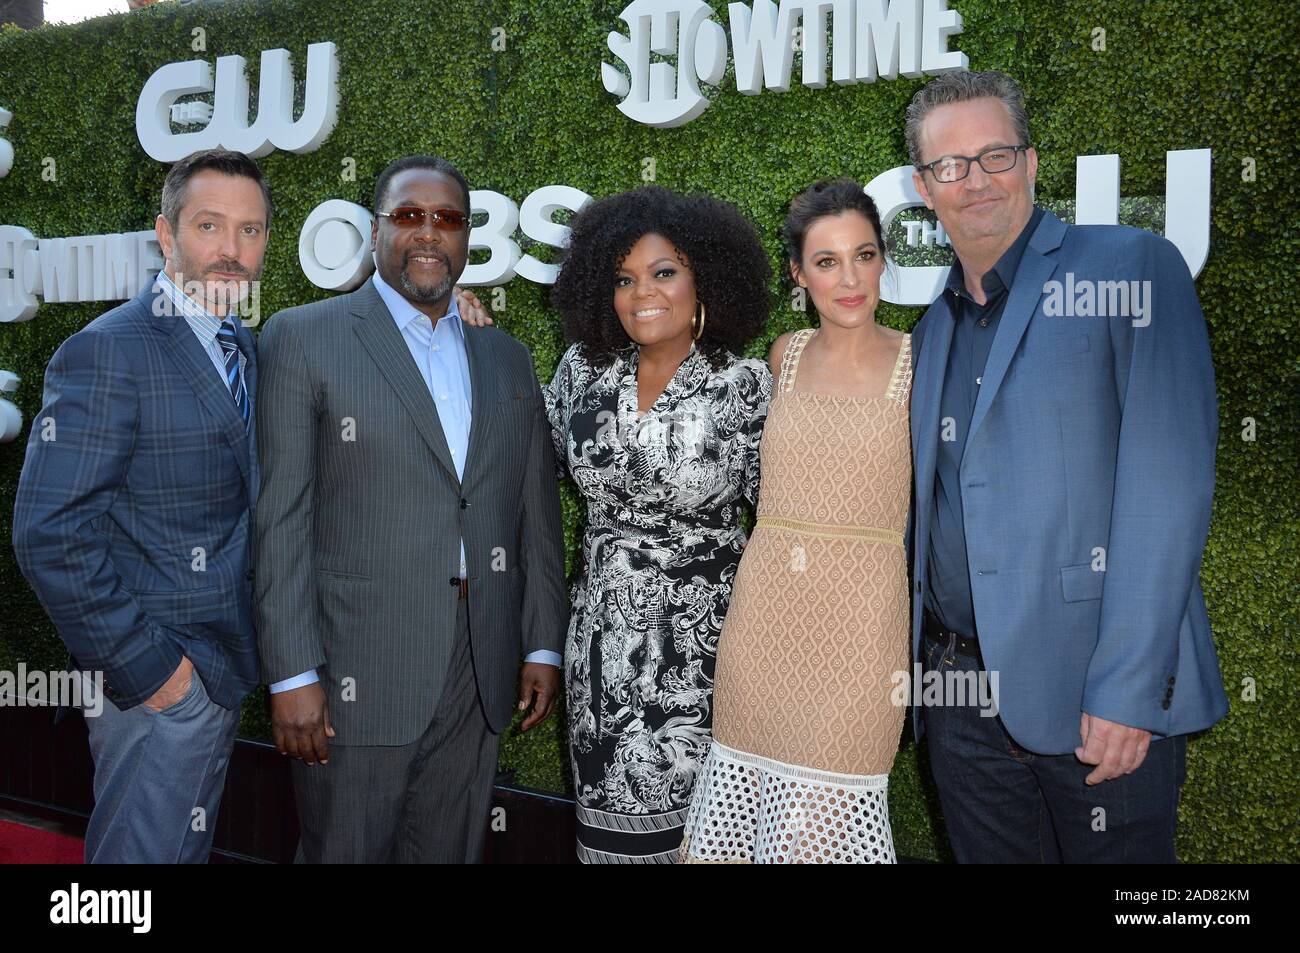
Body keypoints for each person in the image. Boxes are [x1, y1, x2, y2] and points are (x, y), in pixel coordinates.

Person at [905, 70, 1228, 862]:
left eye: (995, 155)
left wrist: (1127, 692)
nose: (975, 180)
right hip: (959, 700)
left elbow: (1169, 486)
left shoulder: (1132, 267)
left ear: (1033, 161)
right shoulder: (928, 328)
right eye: (951, 165)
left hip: (1094, 697)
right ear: (923, 186)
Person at [254, 154, 567, 863]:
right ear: (375, 231)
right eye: (409, 216)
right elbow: (281, 519)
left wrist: (541, 640)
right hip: (354, 669)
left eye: (447, 219)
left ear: (465, 238)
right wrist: (292, 672)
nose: (428, 234)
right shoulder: (303, 336)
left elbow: (532, 509)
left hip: (478, 665)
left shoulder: (505, 357)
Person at [12, 148, 271, 863]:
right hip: (156, 685)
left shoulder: (242, 347)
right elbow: (48, 533)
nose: (230, 250)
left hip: (220, 669)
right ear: (166, 234)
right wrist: (153, 672)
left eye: (250, 231)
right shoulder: (107, 350)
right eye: (210, 225)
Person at [679, 179, 912, 863]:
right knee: (741, 830)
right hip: (764, 625)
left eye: (864, 255)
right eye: (828, 261)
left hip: (862, 635)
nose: (850, 278)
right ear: (798, 272)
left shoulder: (919, 361)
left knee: (817, 834)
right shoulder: (784, 355)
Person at [542, 187, 772, 863]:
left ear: (704, 278)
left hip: (706, 657)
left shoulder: (746, 385)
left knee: (708, 843)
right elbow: (527, 469)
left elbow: (780, 524)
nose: (642, 292)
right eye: (623, 278)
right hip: (602, 658)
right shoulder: (582, 373)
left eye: (663, 271)